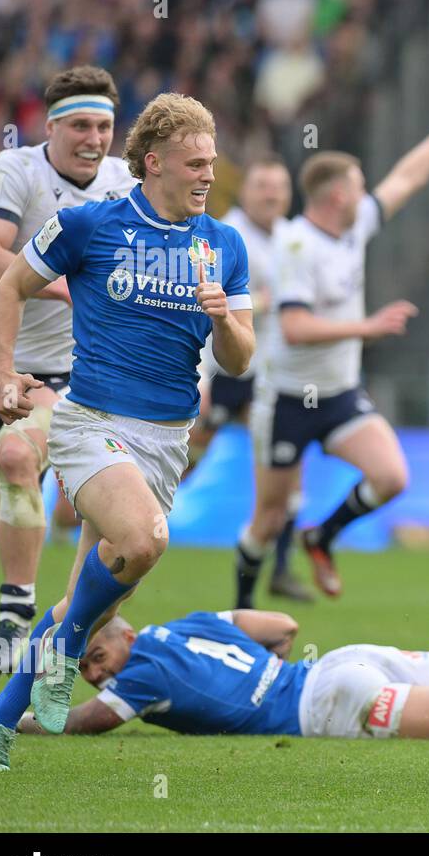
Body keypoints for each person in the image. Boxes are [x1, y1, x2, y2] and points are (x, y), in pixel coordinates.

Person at [0, 92, 255, 771]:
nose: (208, 177)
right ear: (153, 163)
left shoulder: (222, 244)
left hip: (166, 440)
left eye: (212, 163)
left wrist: (223, 318)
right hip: (90, 421)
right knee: (145, 539)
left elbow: (242, 359)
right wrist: (5, 376)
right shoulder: (90, 225)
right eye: (195, 163)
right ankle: (65, 653)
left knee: (88, 602)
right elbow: (9, 285)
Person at [233, 76, 429, 606]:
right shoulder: (297, 245)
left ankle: (322, 536)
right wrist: (366, 328)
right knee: (267, 516)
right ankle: (241, 613)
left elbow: (407, 179)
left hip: (340, 393)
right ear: (337, 194)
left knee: (392, 476)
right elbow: (295, 328)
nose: (368, 190)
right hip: (286, 399)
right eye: (358, 182)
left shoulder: (352, 226)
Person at [0, 67, 135, 669]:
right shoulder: (15, 169)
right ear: (51, 125)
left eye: (105, 126)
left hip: (78, 375)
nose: (94, 138)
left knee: (17, 459)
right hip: (1, 367)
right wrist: (59, 284)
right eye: (81, 125)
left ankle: (17, 619)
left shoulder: (127, 180)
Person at [0, 606, 429, 755]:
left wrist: (18, 720)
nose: (97, 674)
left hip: (335, 701)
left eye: (95, 659)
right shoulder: (191, 624)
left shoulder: (142, 672)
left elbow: (95, 718)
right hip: (339, 661)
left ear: (123, 636)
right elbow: (279, 624)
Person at [189, 156, 313, 601]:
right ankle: (138, 512)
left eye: (279, 186)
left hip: (273, 372)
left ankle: (279, 569)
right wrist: (263, 301)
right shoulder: (224, 235)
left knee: (289, 472)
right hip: (227, 368)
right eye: (263, 185)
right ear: (245, 192)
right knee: (189, 453)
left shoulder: (294, 237)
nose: (272, 194)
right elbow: (208, 302)